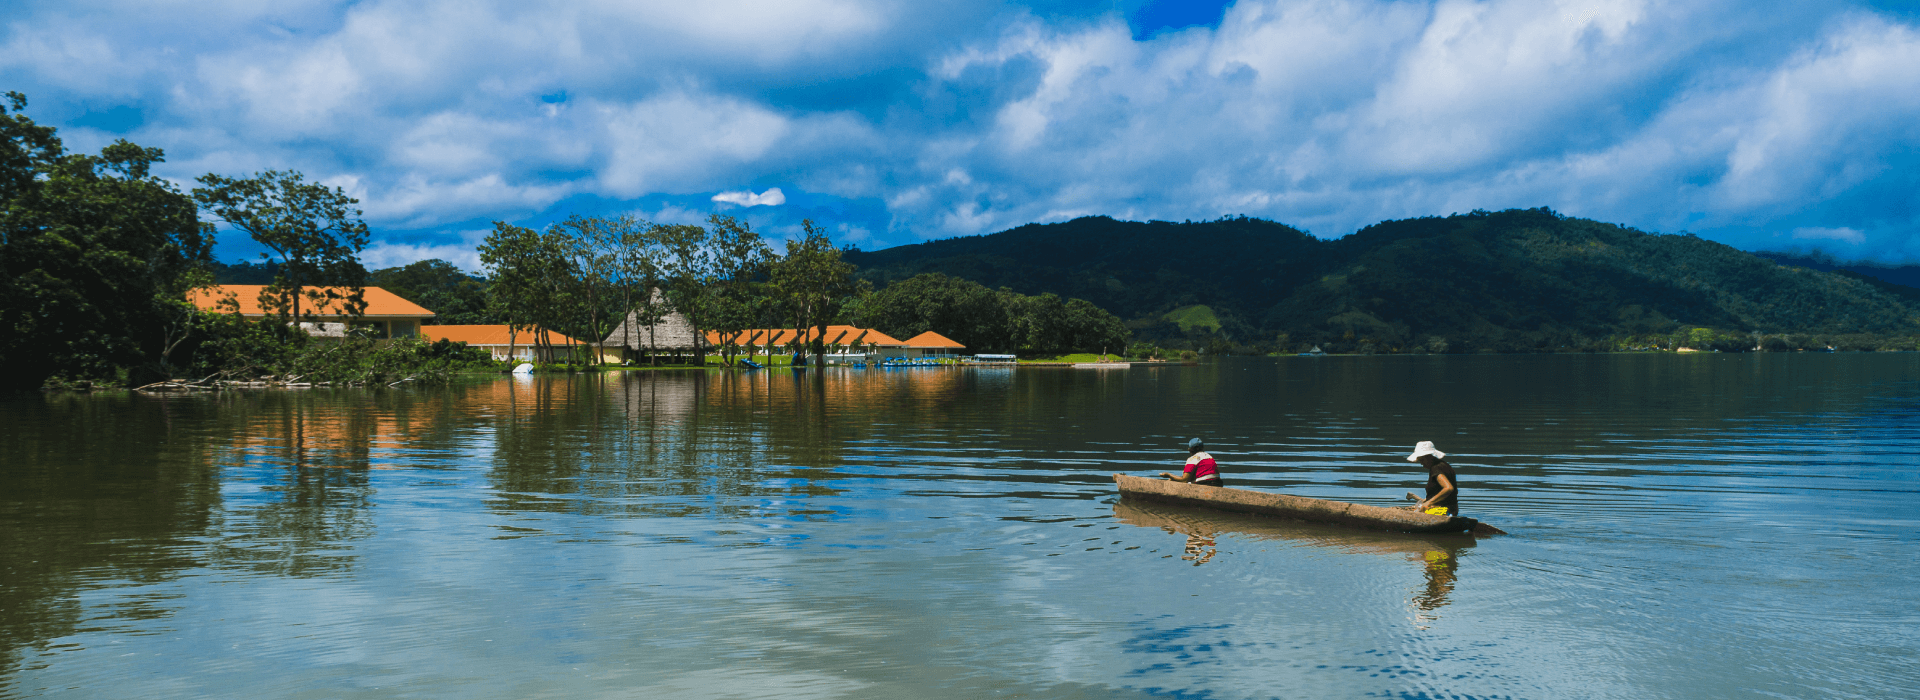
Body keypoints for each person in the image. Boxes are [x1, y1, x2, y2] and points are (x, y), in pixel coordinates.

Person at [1407, 441, 1458, 515]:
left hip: (1444, 511)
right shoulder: (1443, 465)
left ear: (1428, 457)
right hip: (1450, 509)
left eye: (1421, 460)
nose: (1421, 463)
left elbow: (1448, 488)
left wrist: (1429, 502)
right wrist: (1426, 501)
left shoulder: (1436, 468)